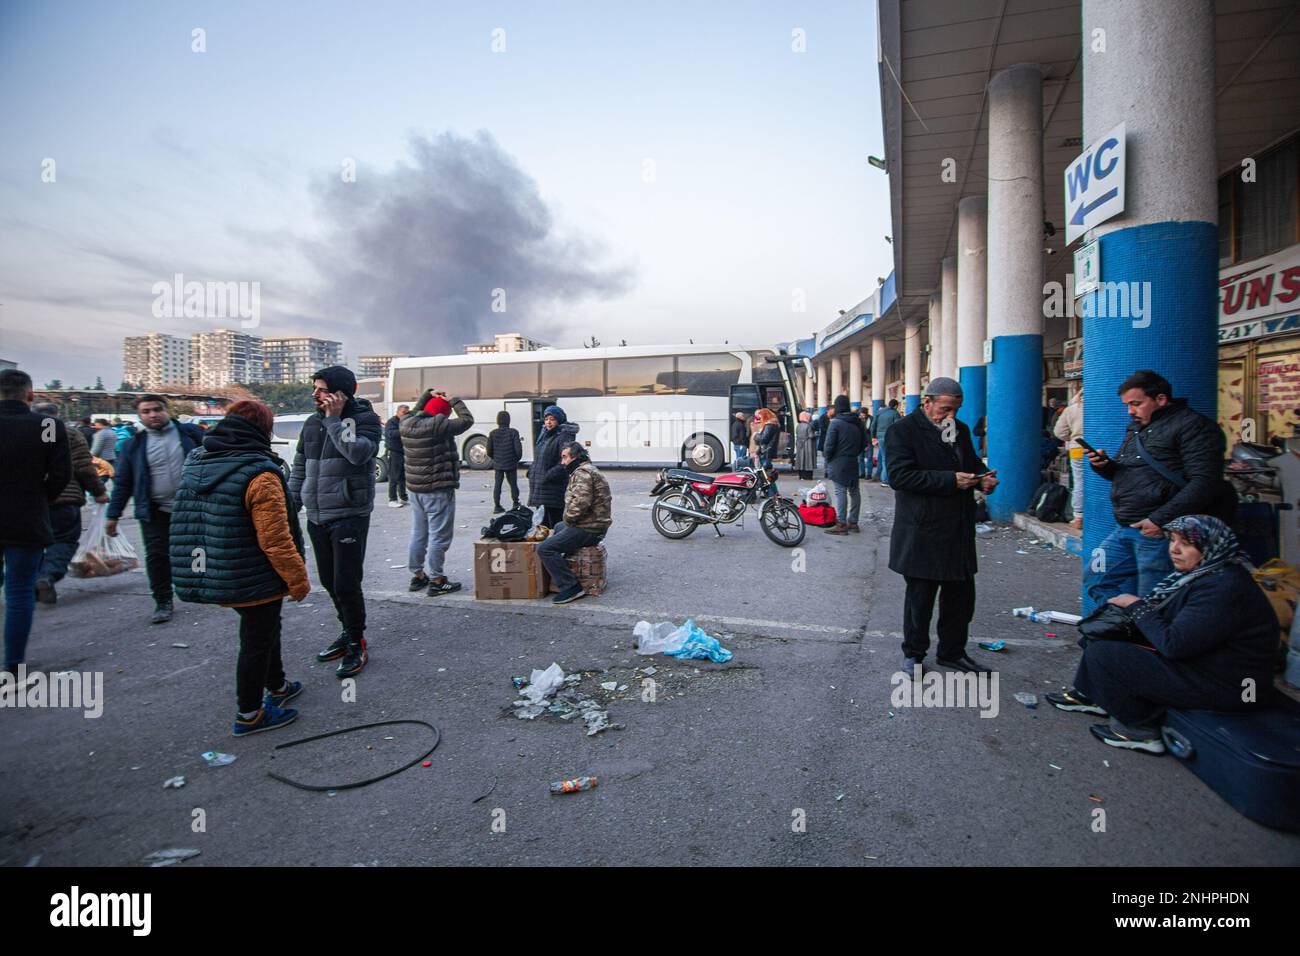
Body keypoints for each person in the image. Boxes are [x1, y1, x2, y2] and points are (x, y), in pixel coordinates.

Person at [1049, 515, 1278, 753]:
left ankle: (1139, 730)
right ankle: (1095, 695)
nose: (1175, 550)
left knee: (1108, 654)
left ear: (1211, 546)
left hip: (1234, 686)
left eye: (1186, 544)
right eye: (1172, 540)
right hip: (1207, 663)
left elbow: (1174, 645)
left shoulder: (1223, 588)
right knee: (1102, 632)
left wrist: (1137, 607)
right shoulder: (1204, 574)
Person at [169, 400, 311, 736]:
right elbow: (275, 541)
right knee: (256, 639)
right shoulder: (261, 474)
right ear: (264, 429)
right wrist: (298, 581)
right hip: (252, 571)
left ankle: (277, 685)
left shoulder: (197, 460)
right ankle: (250, 713)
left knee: (263, 628)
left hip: (219, 567)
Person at [1083, 370, 1230, 604]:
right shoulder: (1136, 428)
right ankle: (1127, 628)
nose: (1130, 411)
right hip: (1126, 526)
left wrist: (1158, 520)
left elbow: (1205, 482)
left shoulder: (1194, 426)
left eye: (1136, 404)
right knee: (1096, 576)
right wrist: (1103, 465)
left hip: (1161, 531)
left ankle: (1147, 637)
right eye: (1127, 405)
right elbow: (1127, 472)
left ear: (1160, 399)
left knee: (1154, 598)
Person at [885, 378, 998, 676]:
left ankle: (952, 652)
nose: (950, 417)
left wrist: (983, 477)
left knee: (960, 599)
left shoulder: (958, 430)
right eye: (945, 410)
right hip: (923, 529)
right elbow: (899, 477)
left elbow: (971, 462)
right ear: (927, 403)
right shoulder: (903, 431)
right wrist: (950, 480)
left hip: (958, 528)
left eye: (955, 411)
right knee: (920, 599)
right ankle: (914, 655)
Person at [289, 365, 381, 677]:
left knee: (346, 582)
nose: (315, 394)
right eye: (314, 388)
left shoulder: (364, 419)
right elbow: (300, 464)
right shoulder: (311, 422)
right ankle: (347, 630)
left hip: (349, 514)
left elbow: (357, 454)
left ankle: (356, 641)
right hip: (316, 515)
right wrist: (292, 502)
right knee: (328, 581)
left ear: (340, 392)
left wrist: (333, 420)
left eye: (321, 389)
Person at [106, 395, 204, 624]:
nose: (153, 415)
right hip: (154, 510)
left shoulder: (191, 434)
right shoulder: (133, 445)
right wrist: (113, 515)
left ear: (166, 410)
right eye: (146, 411)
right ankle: (163, 600)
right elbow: (123, 483)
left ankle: (200, 586)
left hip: (191, 506)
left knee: (197, 548)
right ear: (140, 416)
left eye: (157, 409)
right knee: (157, 556)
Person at [0, 370, 72, 676]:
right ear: (30, 395)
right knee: (18, 592)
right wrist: (40, 498)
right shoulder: (46, 425)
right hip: (26, 519)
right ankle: (13, 665)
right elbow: (60, 475)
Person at [401, 389, 474, 595]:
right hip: (437, 489)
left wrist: (426, 396)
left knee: (418, 533)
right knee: (439, 537)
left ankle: (417, 575)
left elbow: (416, 410)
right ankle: (437, 580)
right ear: (442, 413)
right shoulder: (438, 425)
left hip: (415, 489)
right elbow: (467, 420)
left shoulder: (406, 422)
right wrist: (454, 400)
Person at [33, 403, 108, 605]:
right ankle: (46, 576)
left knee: (32, 544)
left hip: (29, 502)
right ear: (57, 415)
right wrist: (99, 492)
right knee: (64, 540)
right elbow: (84, 467)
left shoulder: (21, 432)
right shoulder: (70, 434)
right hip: (65, 499)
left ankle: (33, 582)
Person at [536, 442, 612, 605]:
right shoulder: (587, 469)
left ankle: (571, 586)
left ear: (575, 457)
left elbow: (580, 504)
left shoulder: (582, 473)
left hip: (589, 528)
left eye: (565, 457)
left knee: (545, 548)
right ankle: (565, 565)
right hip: (593, 524)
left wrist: (569, 520)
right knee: (557, 527)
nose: (562, 462)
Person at [528, 405, 580, 529]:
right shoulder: (546, 435)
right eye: (546, 419)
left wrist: (547, 476)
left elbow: (565, 462)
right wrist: (532, 471)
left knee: (554, 526)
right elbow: (540, 458)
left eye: (552, 419)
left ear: (559, 420)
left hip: (553, 490)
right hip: (543, 489)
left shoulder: (563, 436)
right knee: (542, 528)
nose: (548, 422)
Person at [821, 395, 866, 534]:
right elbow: (864, 443)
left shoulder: (835, 423)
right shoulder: (858, 422)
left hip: (838, 461)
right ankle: (853, 523)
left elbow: (829, 446)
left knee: (840, 491)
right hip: (853, 460)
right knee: (854, 491)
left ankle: (841, 524)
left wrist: (827, 459)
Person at [1054, 389, 1084, 529]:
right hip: (1099, 449)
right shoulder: (1100, 405)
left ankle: (1078, 516)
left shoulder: (1071, 409)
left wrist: (1071, 439)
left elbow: (1059, 432)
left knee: (1079, 481)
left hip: (1077, 448)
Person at [488, 409, 523, 513]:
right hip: (511, 463)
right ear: (509, 420)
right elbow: (518, 450)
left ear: (498, 421)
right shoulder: (513, 432)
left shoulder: (493, 433)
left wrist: (495, 458)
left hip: (498, 463)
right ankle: (515, 503)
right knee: (513, 484)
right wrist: (516, 459)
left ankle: (497, 506)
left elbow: (489, 450)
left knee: (497, 484)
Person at [869, 398, 901, 486]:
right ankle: (886, 480)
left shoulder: (879, 412)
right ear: (895, 406)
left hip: (880, 437)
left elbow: (873, 426)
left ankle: (884, 479)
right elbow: (898, 427)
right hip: (890, 438)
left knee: (883, 458)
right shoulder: (895, 413)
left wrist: (873, 437)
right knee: (889, 458)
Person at [384, 404, 410, 508]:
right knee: (394, 476)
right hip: (394, 452)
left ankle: (403, 497)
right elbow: (391, 434)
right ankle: (392, 499)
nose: (405, 415)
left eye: (407, 413)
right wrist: (404, 430)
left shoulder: (406, 422)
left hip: (404, 452)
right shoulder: (392, 422)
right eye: (404, 412)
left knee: (402, 477)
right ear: (398, 412)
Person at [794, 411, 815, 480]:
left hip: (799, 443)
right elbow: (811, 435)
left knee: (800, 459)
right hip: (807, 444)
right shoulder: (808, 426)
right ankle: (808, 476)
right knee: (808, 459)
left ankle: (801, 475)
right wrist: (816, 434)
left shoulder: (798, 425)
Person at [858, 408, 874, 479]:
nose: (863, 416)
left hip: (869, 441)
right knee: (860, 458)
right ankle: (862, 473)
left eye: (864, 415)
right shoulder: (857, 419)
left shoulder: (871, 419)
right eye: (862, 415)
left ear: (867, 414)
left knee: (869, 458)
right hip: (860, 441)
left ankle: (869, 474)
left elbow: (873, 429)